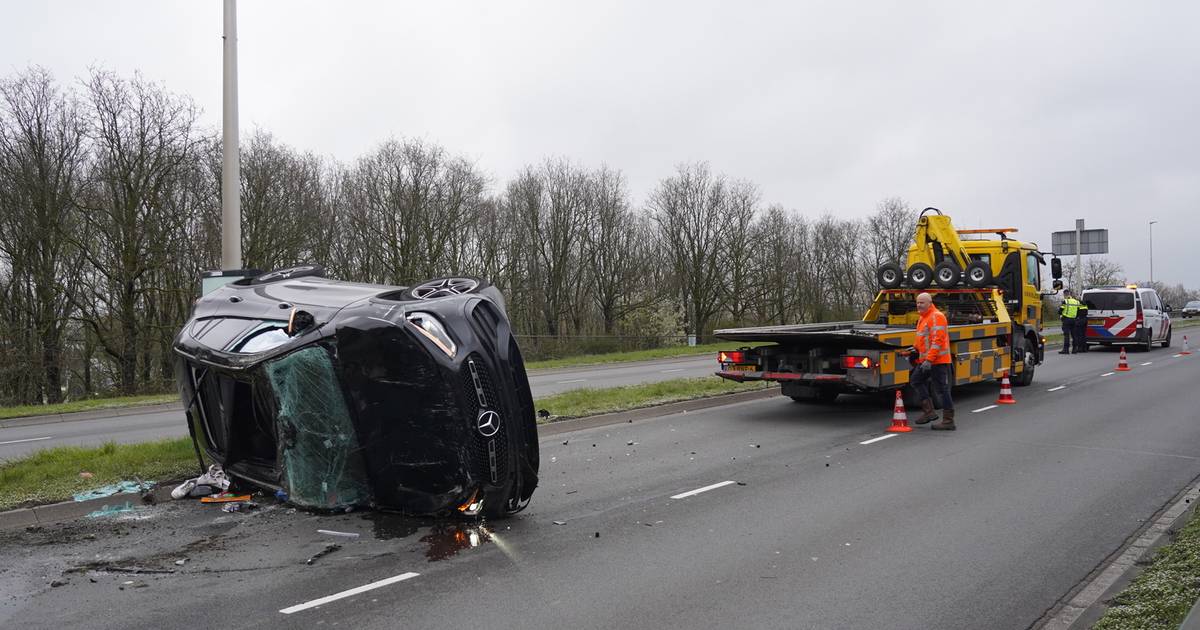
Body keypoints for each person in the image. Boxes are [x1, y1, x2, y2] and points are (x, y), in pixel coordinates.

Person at [909, 292, 955, 431]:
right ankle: (929, 412)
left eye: (922, 302)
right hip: (926, 360)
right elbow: (922, 340)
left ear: (930, 303)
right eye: (917, 302)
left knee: (942, 390)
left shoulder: (936, 316)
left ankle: (948, 421)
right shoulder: (923, 318)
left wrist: (929, 359)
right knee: (916, 380)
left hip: (937, 360)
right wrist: (913, 349)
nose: (919, 305)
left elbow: (938, 341)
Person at [1058, 289, 1083, 354]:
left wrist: (1062, 315)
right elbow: (1079, 312)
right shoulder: (1076, 302)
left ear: (1065, 294)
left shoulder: (1065, 301)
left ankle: (1066, 350)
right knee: (1074, 335)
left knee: (1066, 335)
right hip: (1074, 320)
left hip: (1066, 320)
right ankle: (1074, 349)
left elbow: (1060, 311)